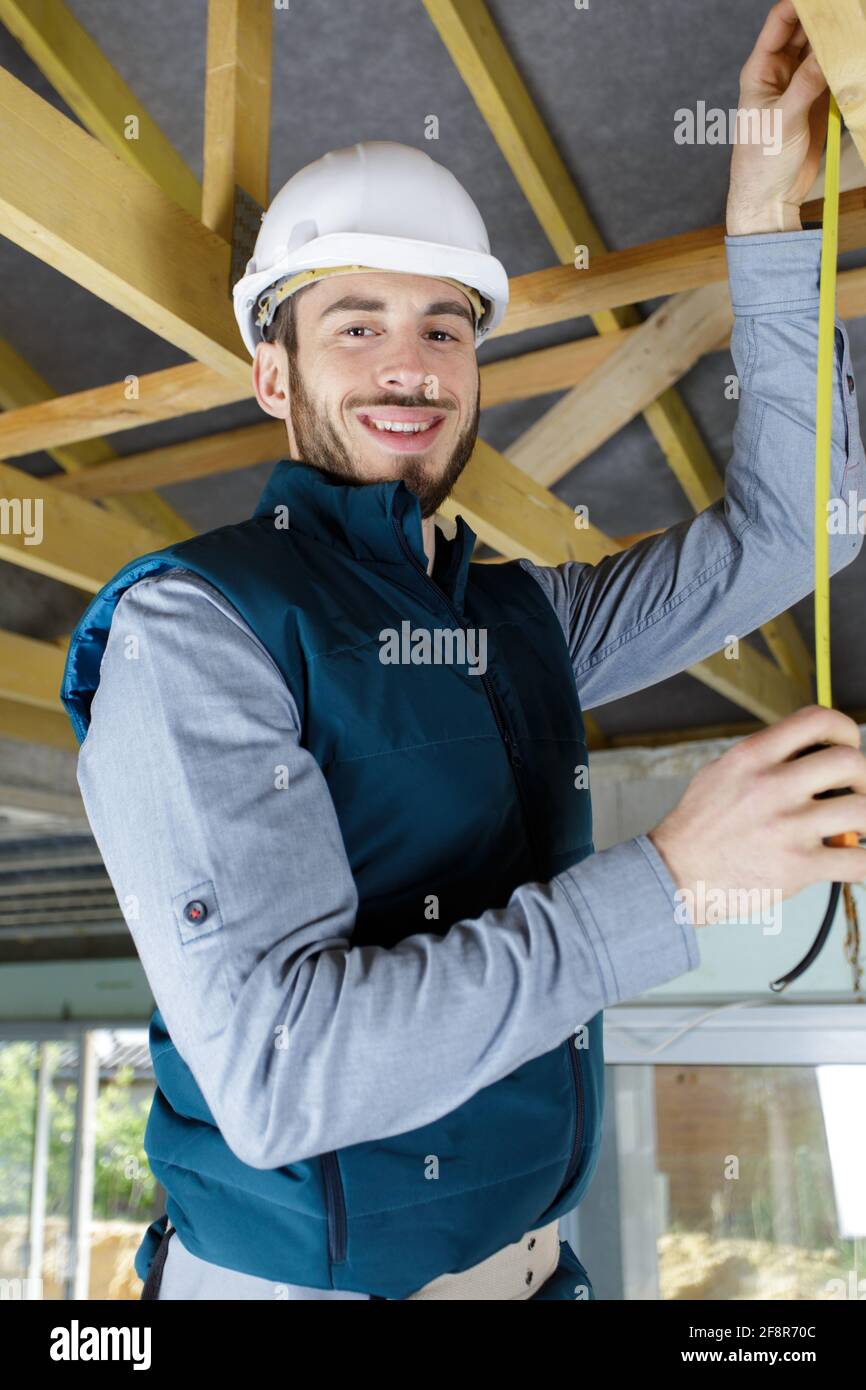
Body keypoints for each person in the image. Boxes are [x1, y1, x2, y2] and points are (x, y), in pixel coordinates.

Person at [61, 2, 866, 1300]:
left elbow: (792, 535)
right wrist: (671, 881)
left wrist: (768, 225)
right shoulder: (198, 628)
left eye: (446, 326)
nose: (411, 364)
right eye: (355, 323)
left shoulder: (514, 622)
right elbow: (278, 1076)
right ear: (273, 374)